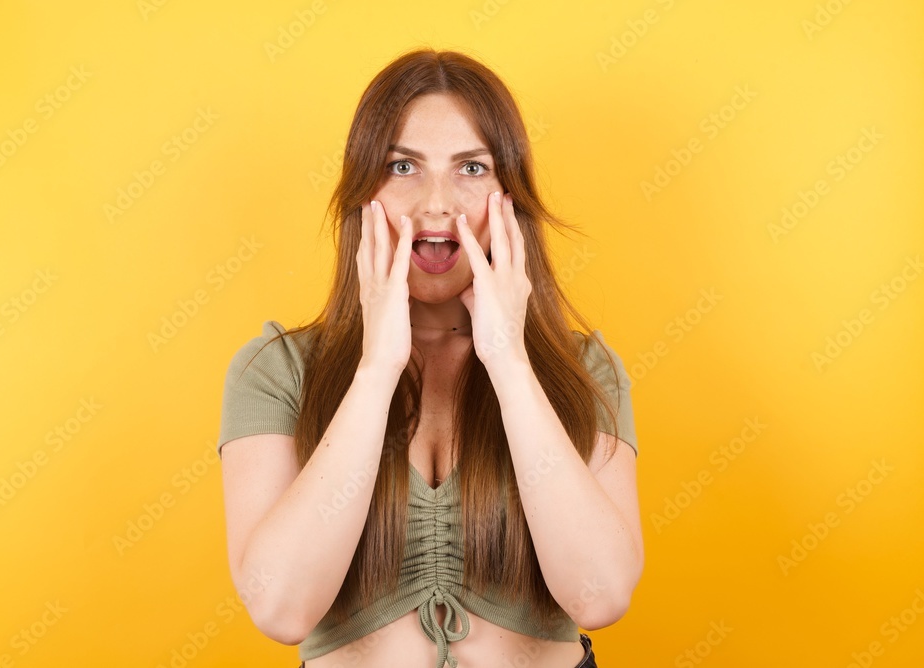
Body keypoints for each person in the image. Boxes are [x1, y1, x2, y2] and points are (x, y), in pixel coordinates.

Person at [218, 47, 643, 668]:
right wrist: (375, 367)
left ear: (510, 196)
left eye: (471, 168)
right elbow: (280, 608)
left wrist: (510, 360)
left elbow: (598, 595)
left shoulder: (584, 369)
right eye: (402, 166)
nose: (437, 204)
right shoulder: (276, 369)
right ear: (364, 190)